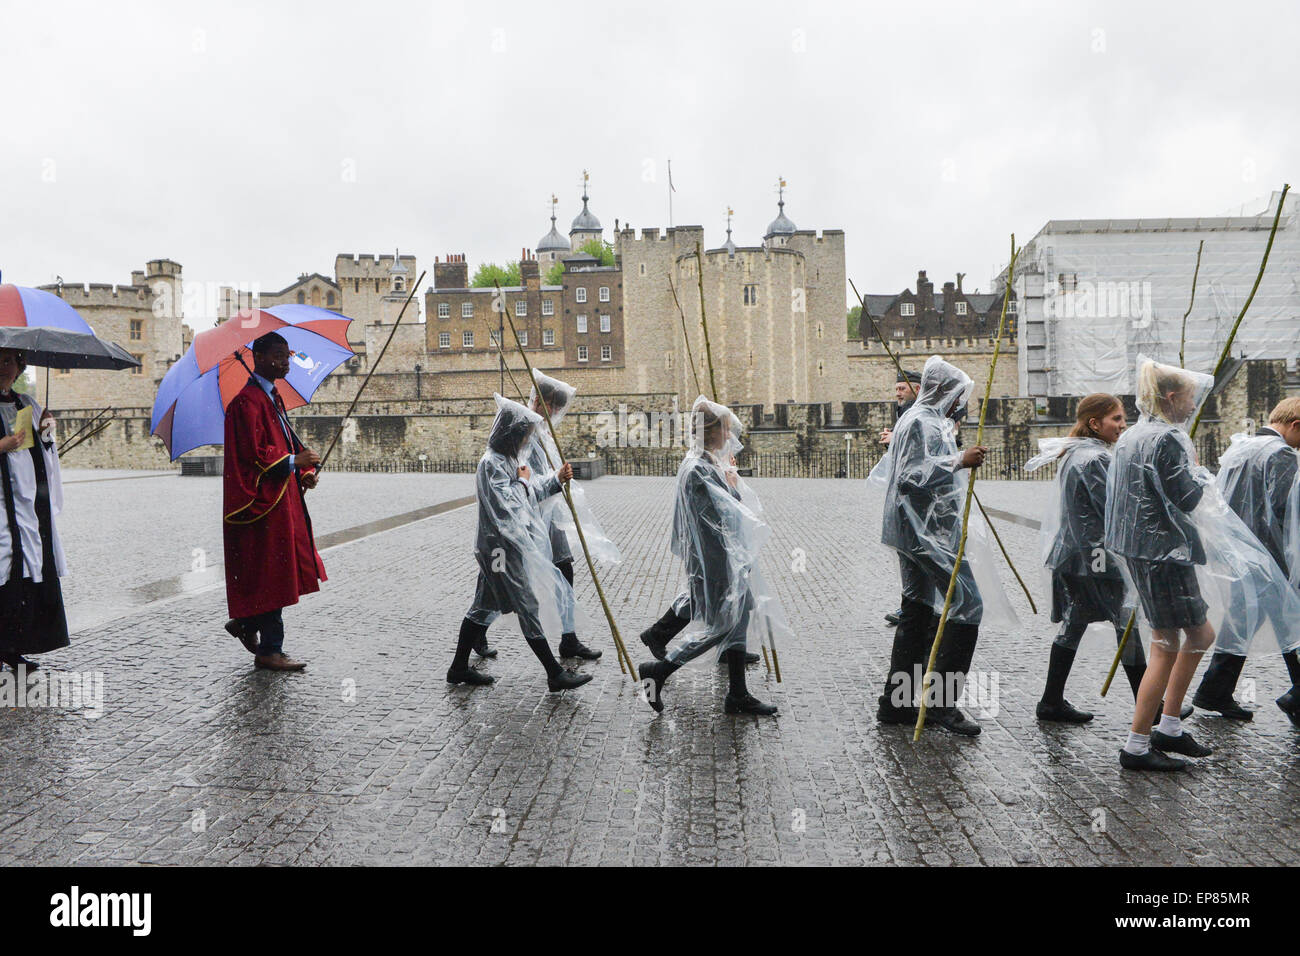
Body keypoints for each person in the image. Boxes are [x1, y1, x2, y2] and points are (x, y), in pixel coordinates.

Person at [870, 355, 1018, 736]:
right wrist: (958, 460)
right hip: (923, 534)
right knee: (968, 603)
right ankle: (941, 703)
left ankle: (896, 702)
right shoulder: (921, 422)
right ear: (944, 391)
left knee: (917, 609)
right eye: (958, 395)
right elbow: (908, 477)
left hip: (915, 531)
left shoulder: (922, 421)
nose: (961, 403)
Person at [637, 396, 787, 716]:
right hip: (716, 558)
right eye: (726, 426)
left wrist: (725, 474)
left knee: (740, 611)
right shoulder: (698, 469)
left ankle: (737, 693)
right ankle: (660, 670)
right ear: (714, 431)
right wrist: (731, 484)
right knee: (724, 622)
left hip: (720, 556)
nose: (731, 432)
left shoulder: (703, 463)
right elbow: (725, 513)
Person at [448, 394, 592, 693]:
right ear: (513, 433)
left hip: (505, 545)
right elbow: (506, 505)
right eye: (525, 434)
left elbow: (530, 490)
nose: (528, 439)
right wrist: (525, 482)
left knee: (483, 607)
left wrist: (554, 479)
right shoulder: (491, 463)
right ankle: (554, 673)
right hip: (499, 547)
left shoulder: (510, 460)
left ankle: (458, 667)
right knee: (527, 604)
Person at [1026, 394, 1155, 722]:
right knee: (1127, 623)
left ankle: (1051, 700)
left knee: (1076, 622)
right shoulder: (1095, 458)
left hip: (1078, 556)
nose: (1123, 425)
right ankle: (1152, 707)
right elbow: (1113, 510)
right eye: (1115, 418)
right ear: (1094, 423)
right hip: (1095, 559)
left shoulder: (1079, 453)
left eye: (1123, 418)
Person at [471, 370, 612, 661]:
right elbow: (517, 480)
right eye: (551, 403)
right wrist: (548, 481)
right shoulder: (522, 428)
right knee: (498, 578)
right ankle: (476, 629)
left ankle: (568, 637)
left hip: (547, 511)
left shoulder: (543, 431)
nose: (554, 410)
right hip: (527, 515)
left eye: (558, 406)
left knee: (563, 568)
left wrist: (560, 478)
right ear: (539, 400)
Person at [1192, 397, 1300, 724]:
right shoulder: (1280, 454)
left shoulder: (1243, 447)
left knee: (1247, 623)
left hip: (1239, 553)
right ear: (1295, 426)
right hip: (1270, 559)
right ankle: (1294, 695)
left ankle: (1215, 690)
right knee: (1291, 624)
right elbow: (1284, 511)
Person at [222, 332, 326, 672]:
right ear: (260, 357)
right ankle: (270, 649)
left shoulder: (272, 398)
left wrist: (302, 472)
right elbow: (251, 453)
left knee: (279, 570)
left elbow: (281, 443)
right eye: (279, 356)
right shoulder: (245, 403)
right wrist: (292, 463)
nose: (286, 362)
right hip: (261, 507)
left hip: (281, 499)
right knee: (272, 573)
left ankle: (246, 623)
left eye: (288, 355)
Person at [0, 348, 68, 672]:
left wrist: (47, 430)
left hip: (25, 503)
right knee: (3, 567)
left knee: (25, 569)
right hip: (1, 502)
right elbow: (11, 446)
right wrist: (2, 445)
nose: (3, 367)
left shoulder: (25, 404)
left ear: (19, 366)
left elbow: (42, 449)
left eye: (8, 361)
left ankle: (14, 646)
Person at [881, 370, 921, 628]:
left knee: (916, 555)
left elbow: (920, 453)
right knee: (907, 555)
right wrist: (892, 443)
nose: (897, 393)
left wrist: (896, 440)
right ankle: (911, 604)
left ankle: (917, 608)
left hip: (915, 500)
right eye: (896, 389)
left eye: (902, 389)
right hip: (902, 498)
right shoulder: (906, 413)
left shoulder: (918, 416)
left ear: (917, 389)